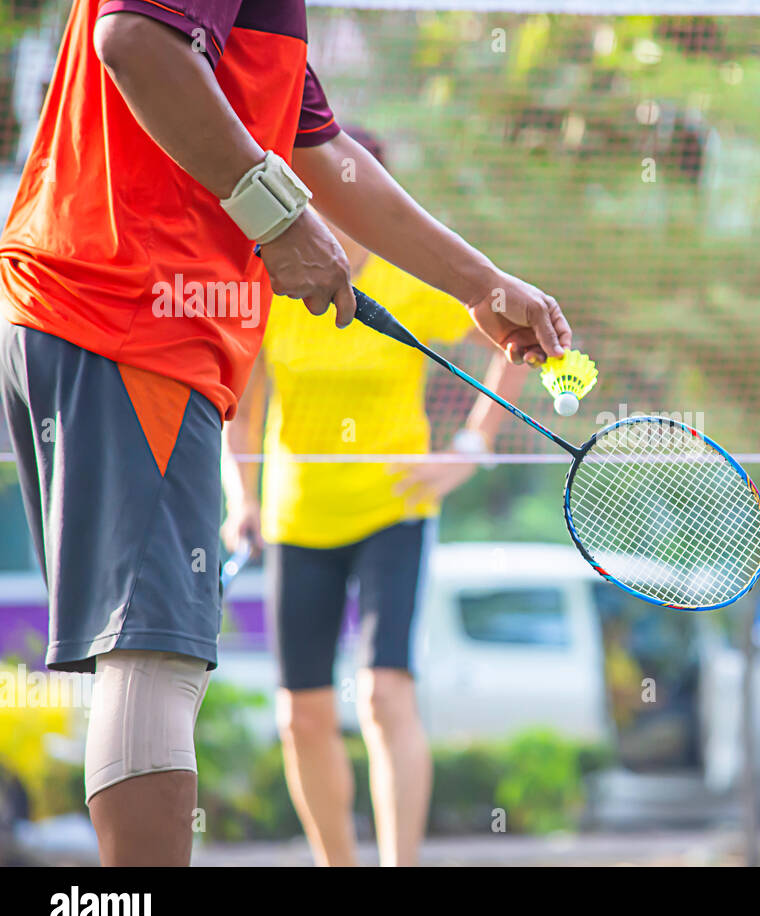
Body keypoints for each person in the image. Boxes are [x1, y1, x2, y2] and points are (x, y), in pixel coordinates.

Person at [0, 1, 569, 867]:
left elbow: (323, 154)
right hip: (129, 316)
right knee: (153, 657)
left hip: (123, 323)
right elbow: (135, 40)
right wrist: (274, 213)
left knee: (152, 658)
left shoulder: (269, 29)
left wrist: (479, 283)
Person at [221, 129, 527, 867]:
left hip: (397, 509)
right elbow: (246, 409)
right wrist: (242, 501)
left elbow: (514, 339)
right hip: (300, 514)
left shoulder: (412, 280)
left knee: (386, 696)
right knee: (302, 716)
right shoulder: (278, 279)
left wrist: (468, 453)